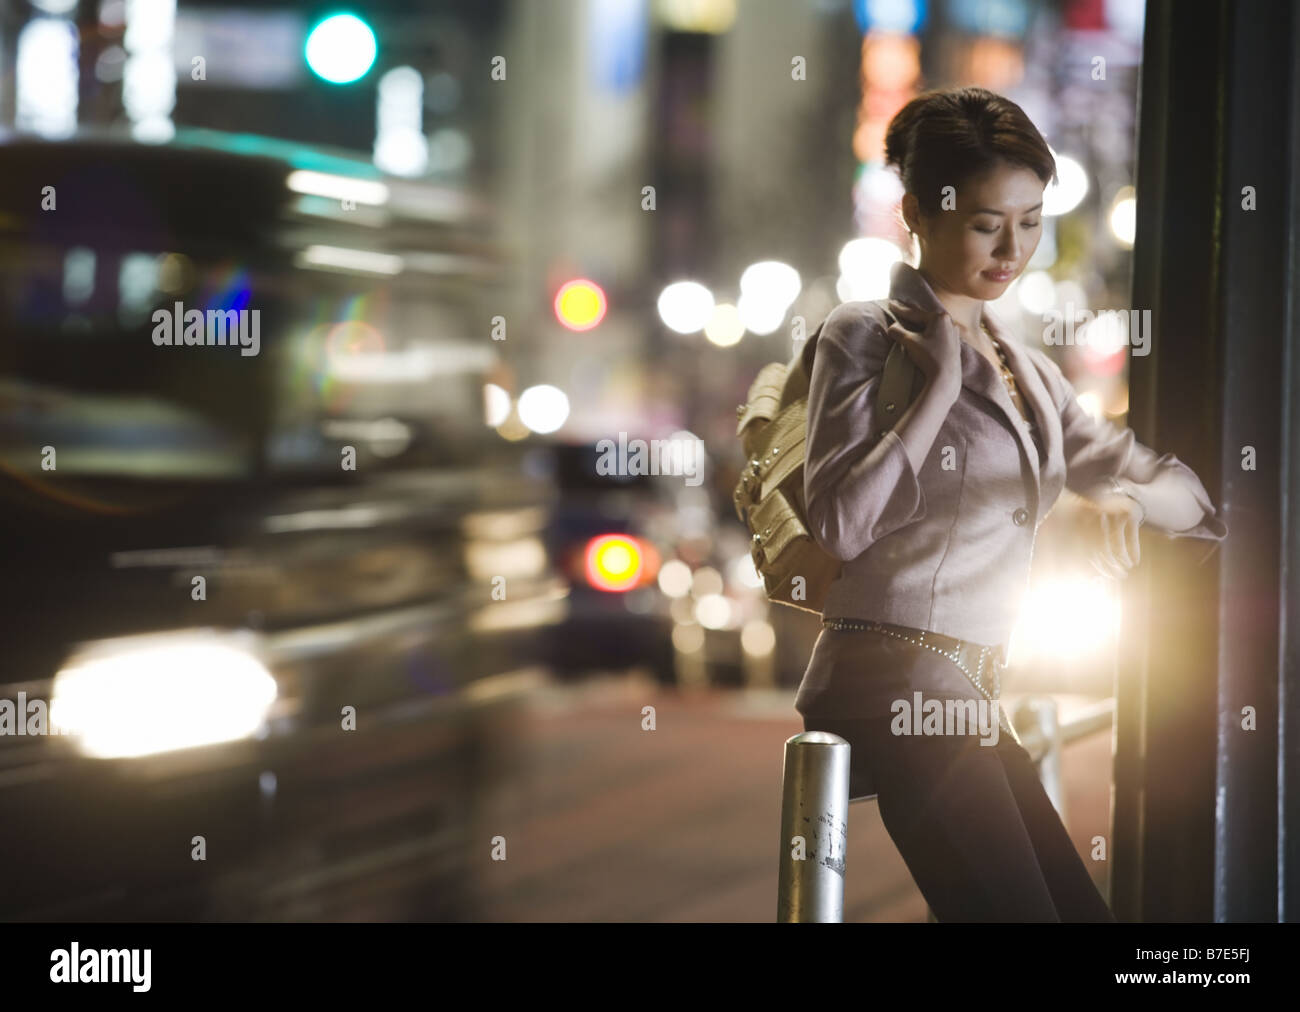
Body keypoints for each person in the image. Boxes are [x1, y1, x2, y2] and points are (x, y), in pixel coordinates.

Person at [794, 86, 1228, 922]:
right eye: (988, 221)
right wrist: (935, 392)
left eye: (1031, 221)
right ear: (917, 213)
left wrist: (1128, 507)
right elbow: (841, 522)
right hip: (892, 684)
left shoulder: (1028, 372)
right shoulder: (864, 335)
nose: (1013, 247)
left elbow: (1188, 500)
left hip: (968, 695)